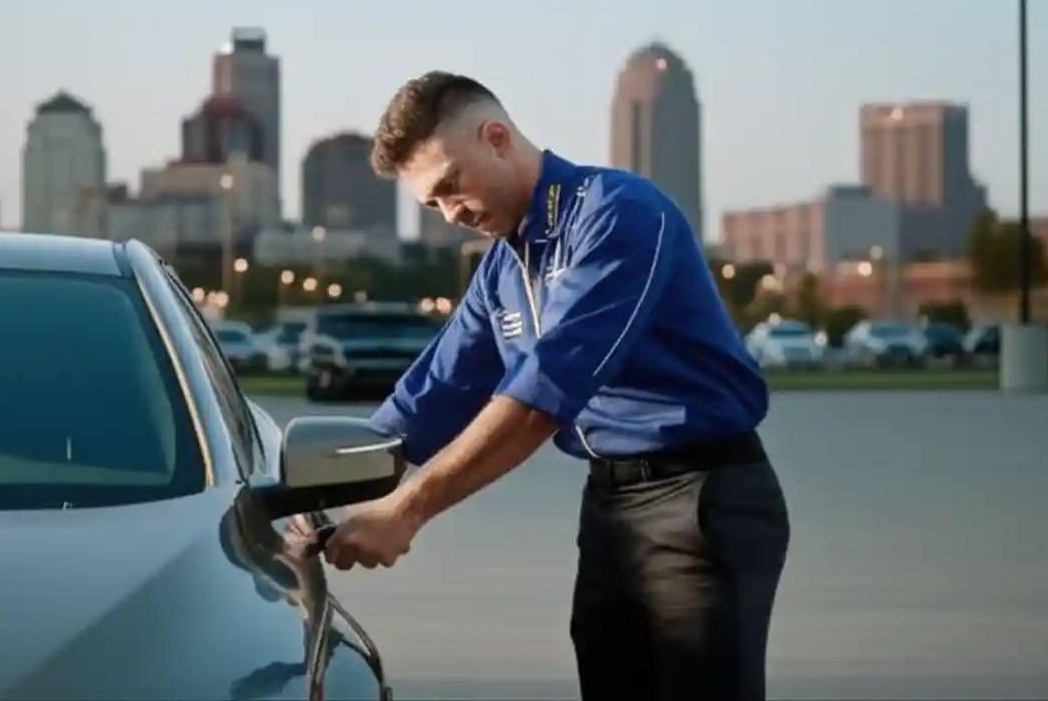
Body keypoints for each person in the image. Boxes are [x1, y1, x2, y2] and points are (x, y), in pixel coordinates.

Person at [296, 70, 791, 700]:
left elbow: (543, 395)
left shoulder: (619, 212)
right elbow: (426, 398)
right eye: (432, 204)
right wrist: (303, 496)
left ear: (497, 137)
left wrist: (407, 509)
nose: (451, 213)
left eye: (451, 184)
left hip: (700, 499)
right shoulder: (504, 267)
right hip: (611, 507)